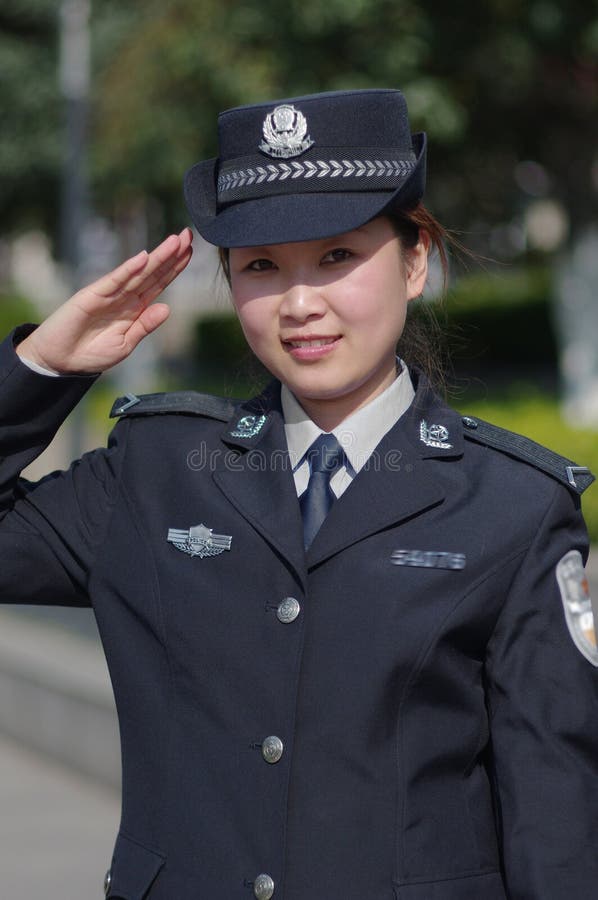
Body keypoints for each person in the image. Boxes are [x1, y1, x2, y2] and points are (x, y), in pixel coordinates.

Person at [1, 89, 597, 900]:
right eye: (260, 267)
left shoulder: (514, 508)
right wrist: (42, 367)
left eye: (337, 257)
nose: (300, 302)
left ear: (416, 258)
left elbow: (557, 831)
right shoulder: (158, 472)